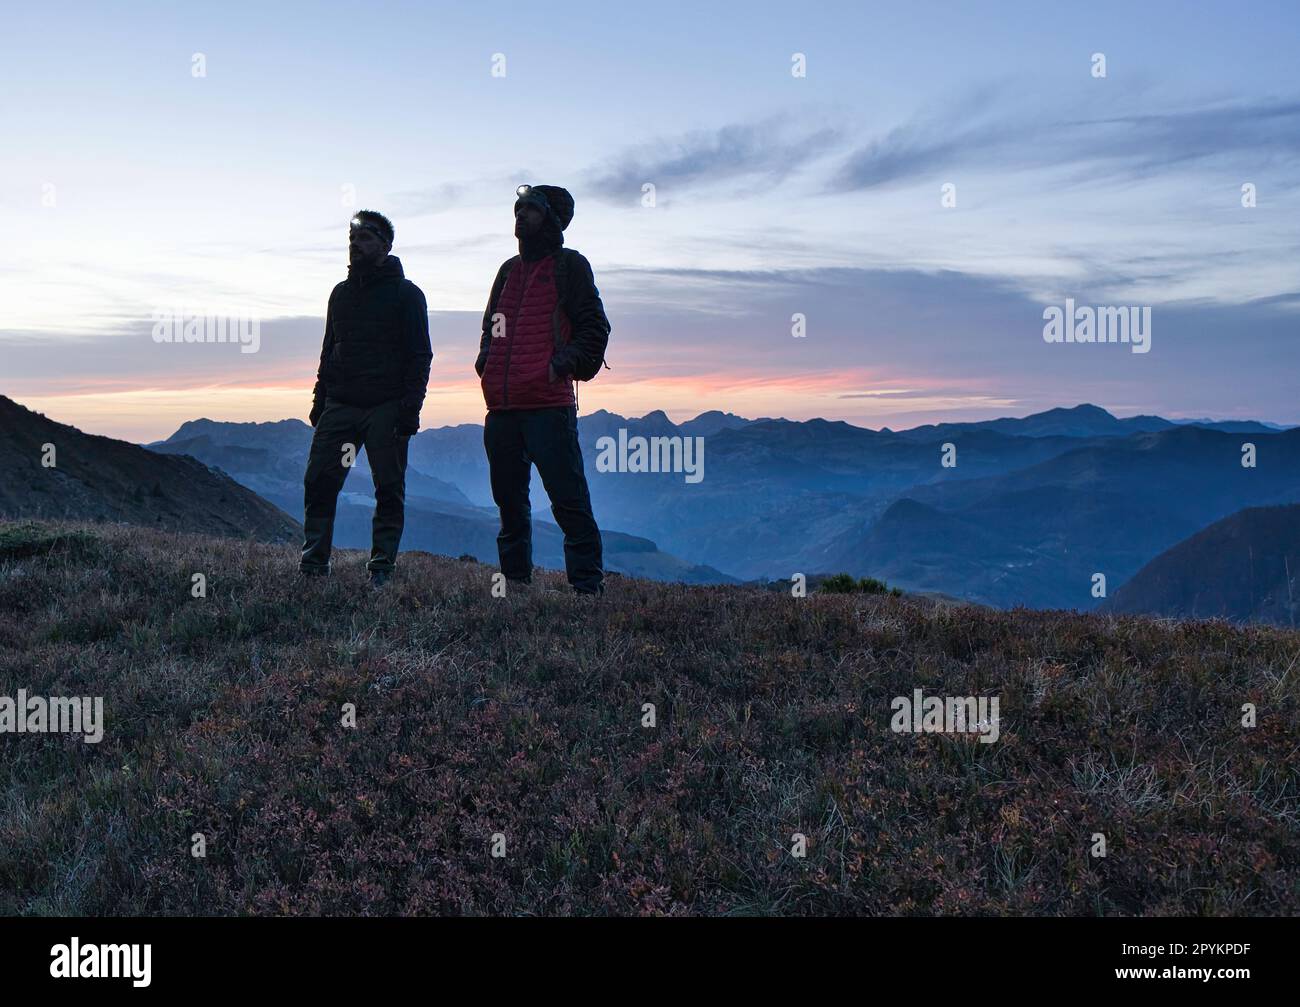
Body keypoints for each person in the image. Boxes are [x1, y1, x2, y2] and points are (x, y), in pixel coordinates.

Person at [475, 184, 610, 594]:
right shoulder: (507, 271)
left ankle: (587, 589)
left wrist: (560, 367)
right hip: (501, 408)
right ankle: (515, 583)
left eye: (529, 210)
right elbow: (491, 326)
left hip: (549, 407)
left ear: (550, 218)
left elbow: (595, 328)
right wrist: (487, 361)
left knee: (569, 501)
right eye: (517, 209)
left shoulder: (570, 266)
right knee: (509, 504)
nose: (519, 216)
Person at [300, 210, 431, 587]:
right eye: (353, 238)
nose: (356, 244)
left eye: (366, 238)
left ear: (385, 246)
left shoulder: (407, 295)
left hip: (386, 407)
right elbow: (329, 350)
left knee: (388, 488)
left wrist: (410, 409)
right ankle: (313, 567)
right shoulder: (340, 295)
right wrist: (319, 399)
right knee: (320, 481)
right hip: (340, 404)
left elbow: (420, 355)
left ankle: (381, 571)